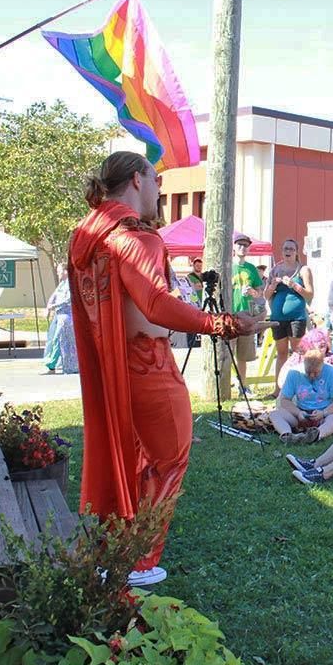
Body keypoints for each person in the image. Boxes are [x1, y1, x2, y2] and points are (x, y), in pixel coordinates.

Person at [68, 150, 263, 587]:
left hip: (119, 368)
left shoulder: (90, 235)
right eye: (156, 180)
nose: (160, 190)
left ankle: (113, 550)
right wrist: (224, 323)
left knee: (135, 460)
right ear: (137, 180)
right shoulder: (136, 238)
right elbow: (156, 306)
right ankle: (139, 562)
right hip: (148, 364)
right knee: (168, 461)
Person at [269, 341, 333, 444]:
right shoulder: (294, 373)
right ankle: (287, 435)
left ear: (322, 365)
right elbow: (284, 400)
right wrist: (298, 412)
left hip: (325, 412)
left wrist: (323, 413)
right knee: (275, 414)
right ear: (303, 364)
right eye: (308, 372)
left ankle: (317, 435)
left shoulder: (331, 372)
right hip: (301, 412)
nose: (312, 376)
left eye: (316, 373)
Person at [265, 238, 314, 392]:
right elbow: (266, 295)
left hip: (296, 318)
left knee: (298, 353)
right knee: (281, 353)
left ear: (296, 252)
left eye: (291, 249)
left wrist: (294, 285)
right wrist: (273, 285)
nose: (288, 251)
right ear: (282, 251)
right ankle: (278, 390)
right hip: (278, 317)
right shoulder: (275, 270)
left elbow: (310, 295)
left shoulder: (303, 270)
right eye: (286, 248)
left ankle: (300, 388)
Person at [231, 234, 264, 394]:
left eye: (245, 245)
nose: (242, 248)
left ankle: (243, 386)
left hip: (246, 315)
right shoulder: (227, 265)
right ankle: (227, 385)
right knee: (226, 354)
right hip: (229, 315)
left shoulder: (251, 268)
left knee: (243, 356)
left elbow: (259, 292)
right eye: (239, 244)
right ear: (233, 246)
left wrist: (252, 292)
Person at [42, 263, 78, 375]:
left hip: (66, 316)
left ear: (65, 271)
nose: (58, 273)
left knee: (59, 340)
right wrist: (49, 306)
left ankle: (53, 365)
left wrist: (54, 306)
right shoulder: (61, 284)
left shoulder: (70, 284)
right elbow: (53, 296)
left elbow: (68, 299)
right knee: (54, 339)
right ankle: (54, 364)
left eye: (60, 270)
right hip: (59, 316)